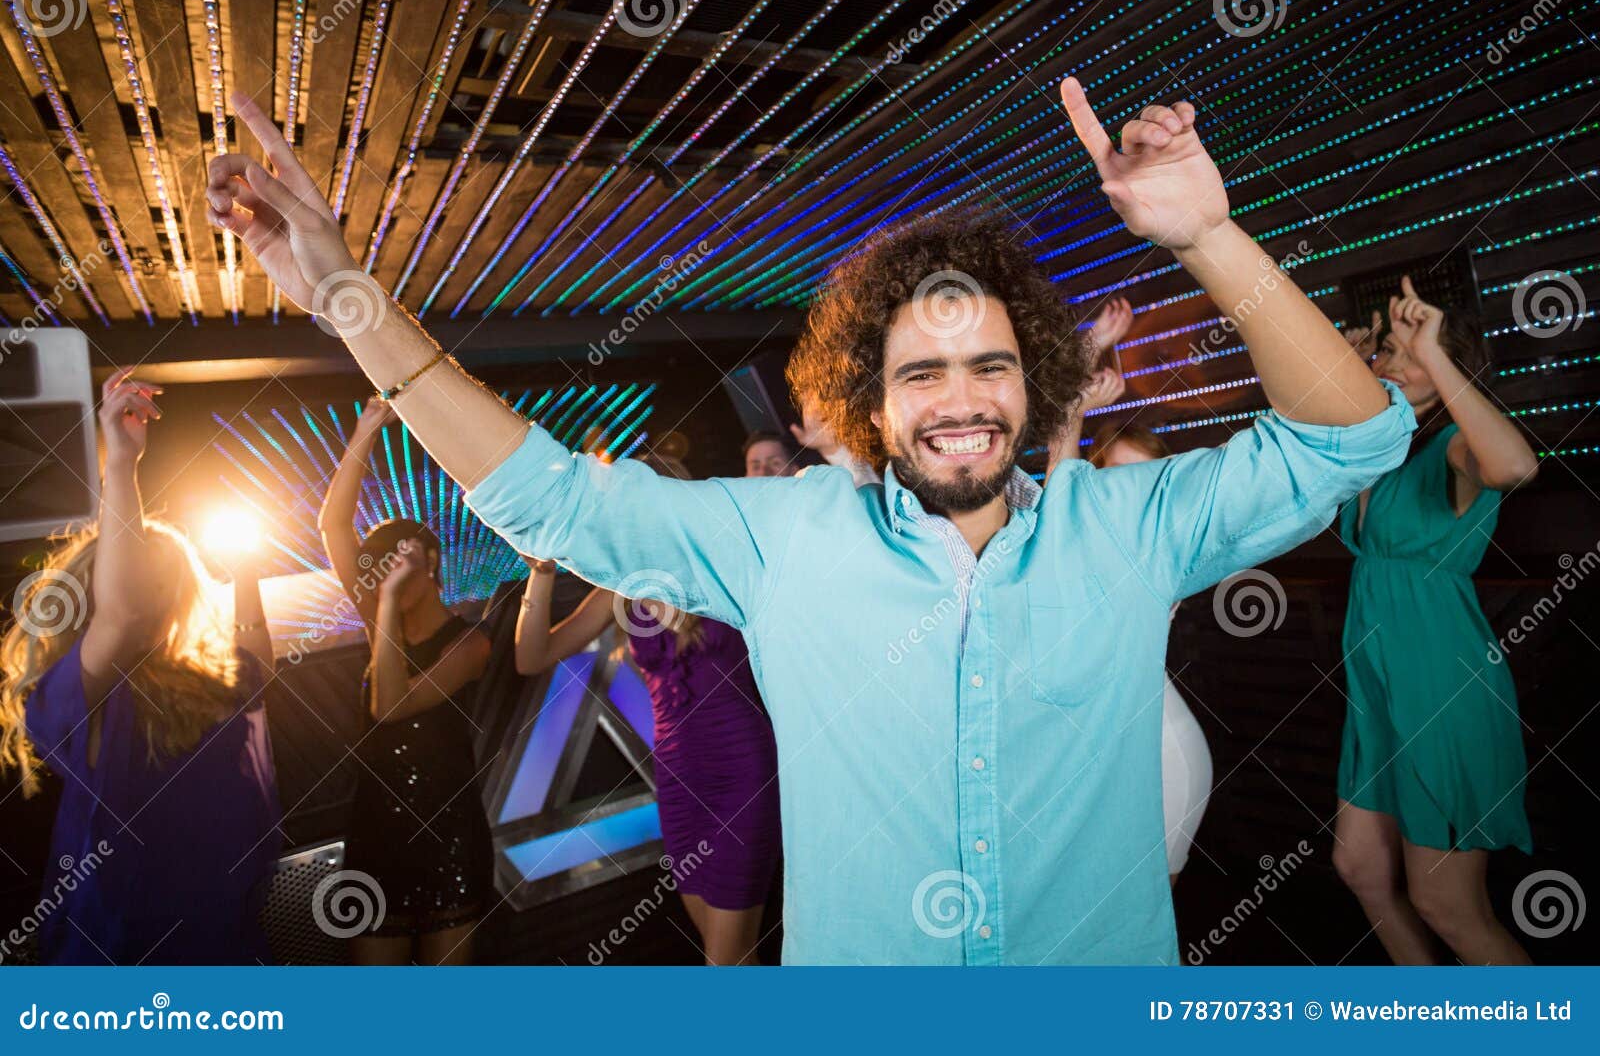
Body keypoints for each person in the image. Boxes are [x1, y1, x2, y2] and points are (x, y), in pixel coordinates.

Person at [206, 76, 1415, 964]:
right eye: (920, 373)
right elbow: (550, 494)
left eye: (989, 365)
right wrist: (348, 299)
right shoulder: (783, 536)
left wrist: (1208, 237)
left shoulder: (1130, 523)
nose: (960, 401)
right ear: (871, 407)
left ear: (1033, 381)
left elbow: (1353, 437)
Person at [0, 369, 280, 963]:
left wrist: (249, 564)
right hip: (121, 958)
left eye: (163, 574)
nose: (152, 586)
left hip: (221, 946)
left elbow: (259, 662)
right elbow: (122, 613)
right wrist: (121, 464)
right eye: (139, 571)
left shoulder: (213, 678)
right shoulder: (72, 695)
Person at [1330, 278, 1538, 966]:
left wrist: (1435, 354)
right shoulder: (1392, 450)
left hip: (1440, 692)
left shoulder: (1452, 446)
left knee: (1447, 903)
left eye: (1400, 349)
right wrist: (1354, 380)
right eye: (1387, 348)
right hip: (1379, 695)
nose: (1387, 358)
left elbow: (1515, 465)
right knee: (1362, 868)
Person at [514, 455, 781, 965]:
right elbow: (532, 657)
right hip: (678, 777)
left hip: (740, 769)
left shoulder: (724, 556)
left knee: (727, 958)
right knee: (719, 948)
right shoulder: (621, 583)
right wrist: (542, 573)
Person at [318, 397, 494, 964]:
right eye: (381, 564)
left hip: (449, 835)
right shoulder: (379, 622)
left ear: (434, 563)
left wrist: (387, 604)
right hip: (376, 832)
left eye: (402, 560)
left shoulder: (470, 642)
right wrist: (367, 428)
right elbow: (333, 525)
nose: (388, 573)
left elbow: (390, 707)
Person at [1046, 298, 1214, 890]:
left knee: (1141, 936)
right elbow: (1059, 483)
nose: (1127, 492)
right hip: (1090, 755)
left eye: (1142, 480)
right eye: (1113, 475)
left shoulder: (1160, 550)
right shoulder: (1068, 537)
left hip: (1158, 753)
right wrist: (1089, 352)